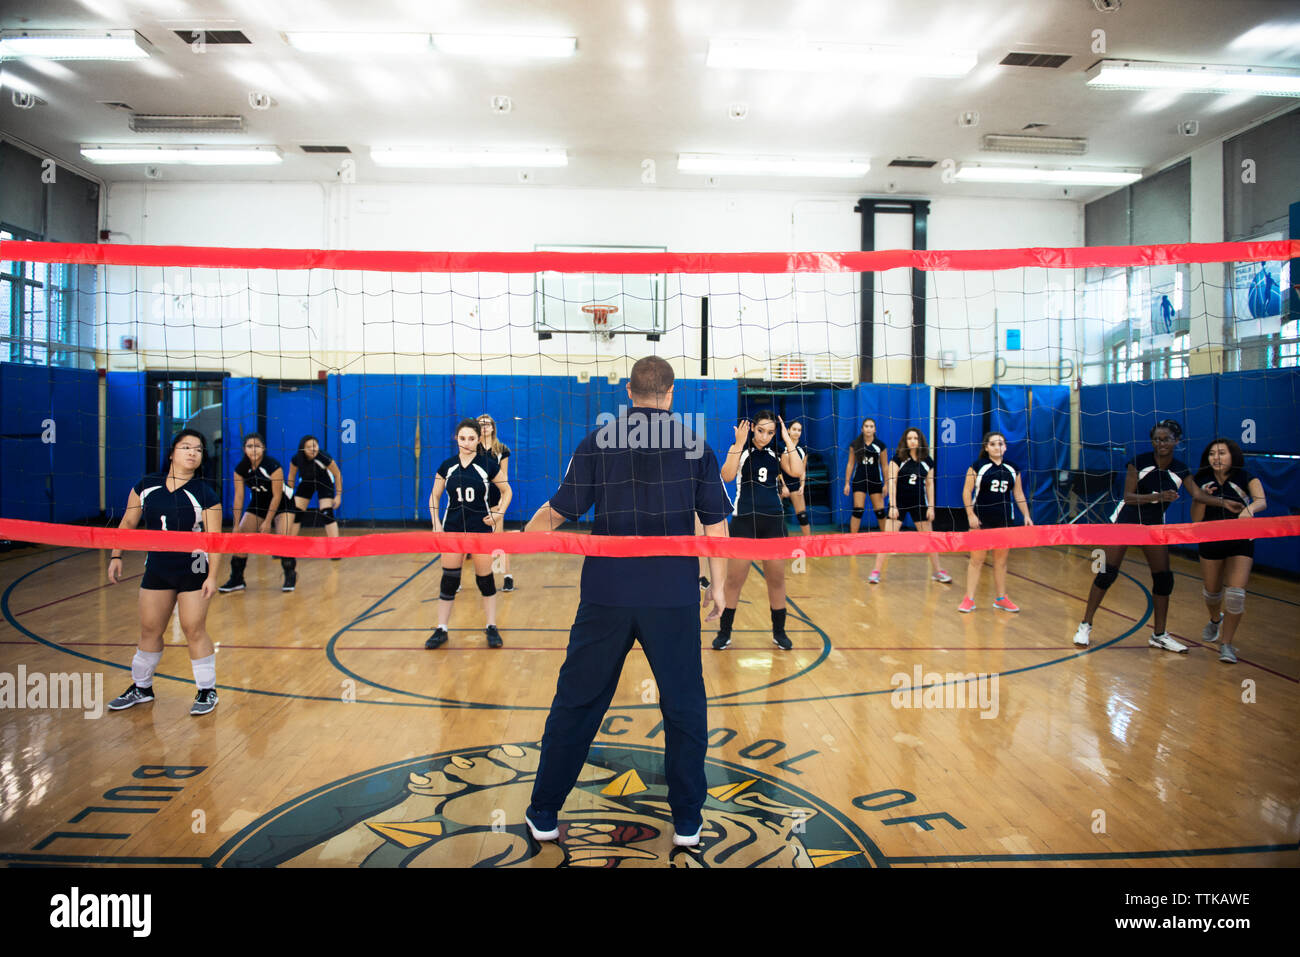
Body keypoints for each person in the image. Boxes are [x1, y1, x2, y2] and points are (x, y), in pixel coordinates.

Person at [521, 356, 730, 848]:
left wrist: (517, 538)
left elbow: (559, 511)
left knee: (577, 703)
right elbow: (717, 526)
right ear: (671, 393)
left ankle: (545, 812)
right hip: (672, 595)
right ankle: (686, 822)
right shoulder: (696, 446)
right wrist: (718, 587)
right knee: (684, 707)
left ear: (629, 394)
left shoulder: (598, 440)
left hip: (607, 594)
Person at [1071, 419, 1223, 650]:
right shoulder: (1139, 462)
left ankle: (1159, 635)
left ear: (1177, 441)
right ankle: (1085, 625)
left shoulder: (1180, 469)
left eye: (1166, 439)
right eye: (1157, 439)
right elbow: (1128, 497)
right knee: (1107, 573)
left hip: (1153, 526)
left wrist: (1223, 501)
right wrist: (1158, 497)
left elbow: (1198, 495)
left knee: (1163, 578)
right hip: (1126, 521)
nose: (1161, 443)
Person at [106, 429, 224, 716]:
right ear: (172, 452)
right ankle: (142, 687)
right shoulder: (146, 485)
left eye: (198, 449)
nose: (193, 452)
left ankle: (207, 691)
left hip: (194, 569)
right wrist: (116, 554)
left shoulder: (206, 494)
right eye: (186, 447)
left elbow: (215, 540)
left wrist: (212, 576)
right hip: (158, 568)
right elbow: (128, 521)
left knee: (193, 628)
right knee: (149, 629)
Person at [713, 411, 805, 651]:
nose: (765, 436)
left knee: (776, 579)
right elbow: (727, 475)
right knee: (734, 580)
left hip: (773, 522)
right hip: (744, 522)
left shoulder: (778, 453)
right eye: (761, 430)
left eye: (770, 432)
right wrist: (739, 443)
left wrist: (787, 439)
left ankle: (779, 632)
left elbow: (796, 472)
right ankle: (724, 633)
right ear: (753, 428)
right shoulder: (741, 451)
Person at [426, 419, 512, 649]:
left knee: (484, 579)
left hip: (480, 530)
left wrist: (498, 514)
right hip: (453, 529)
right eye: (462, 438)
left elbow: (507, 490)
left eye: (471, 438)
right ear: (456, 438)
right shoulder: (447, 466)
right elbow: (434, 496)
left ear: (478, 439)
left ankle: (491, 626)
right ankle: (441, 628)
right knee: (449, 580)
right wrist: (436, 523)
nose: (466, 443)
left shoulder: (487, 465)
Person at [1191, 438, 1265, 665]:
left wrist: (1249, 510)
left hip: (1241, 539)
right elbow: (1195, 519)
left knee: (1235, 594)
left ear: (1232, 455)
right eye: (1212, 453)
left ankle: (1227, 644)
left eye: (1222, 453)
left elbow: (1262, 501)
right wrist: (1203, 497)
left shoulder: (1245, 476)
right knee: (1212, 592)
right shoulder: (1201, 479)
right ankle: (1215, 619)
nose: (1216, 457)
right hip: (1211, 539)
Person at [958, 431, 1032, 613]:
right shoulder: (978, 466)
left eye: (1000, 444)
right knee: (977, 560)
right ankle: (969, 599)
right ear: (986, 447)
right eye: (993, 444)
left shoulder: (1012, 468)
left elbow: (1019, 494)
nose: (997, 447)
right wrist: (970, 515)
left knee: (1001, 561)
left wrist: (1027, 515)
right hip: (981, 520)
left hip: (1004, 520)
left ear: (1005, 447)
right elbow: (966, 491)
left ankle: (1001, 598)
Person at [870, 427, 952, 585]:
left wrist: (931, 507)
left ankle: (937, 571)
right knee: (887, 538)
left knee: (930, 538)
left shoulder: (927, 461)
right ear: (905, 441)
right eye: (909, 438)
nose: (913, 441)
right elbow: (892, 482)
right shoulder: (898, 459)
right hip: (899, 502)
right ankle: (876, 571)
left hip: (919, 503)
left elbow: (929, 484)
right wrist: (892, 505)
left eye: (915, 438)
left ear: (920, 441)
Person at [220, 432, 293, 593]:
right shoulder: (240, 469)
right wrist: (236, 525)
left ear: (264, 448)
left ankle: (290, 574)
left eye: (257, 446)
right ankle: (237, 579)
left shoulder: (273, 466)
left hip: (283, 504)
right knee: (240, 537)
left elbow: (277, 495)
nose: (254, 450)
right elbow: (239, 498)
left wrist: (267, 522)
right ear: (244, 449)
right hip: (258, 503)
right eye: (249, 446)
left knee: (283, 539)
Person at [283, 435, 344, 581]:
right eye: (310, 446)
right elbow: (291, 477)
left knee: (326, 513)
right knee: (295, 513)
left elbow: (337, 474)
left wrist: (338, 496)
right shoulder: (296, 458)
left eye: (315, 445)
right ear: (303, 448)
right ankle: (288, 547)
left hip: (324, 482)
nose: (313, 449)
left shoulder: (324, 457)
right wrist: (289, 496)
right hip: (307, 482)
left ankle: (335, 549)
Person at [476, 413, 516, 592]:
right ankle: (457, 579)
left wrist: (501, 502)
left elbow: (504, 478)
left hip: (494, 500)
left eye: (487, 424)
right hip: (475, 501)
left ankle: (506, 576)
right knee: (470, 541)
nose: (484, 427)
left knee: (498, 540)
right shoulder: (471, 448)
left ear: (493, 427)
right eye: (480, 424)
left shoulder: (501, 450)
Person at [844, 417, 887, 533]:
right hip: (859, 479)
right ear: (862, 429)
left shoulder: (880, 445)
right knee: (858, 509)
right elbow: (850, 464)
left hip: (875, 480)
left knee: (880, 511)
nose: (869, 429)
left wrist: (886, 484)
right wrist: (847, 483)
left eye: (871, 426)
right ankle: (853, 538)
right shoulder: (855, 444)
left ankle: (886, 538)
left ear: (875, 430)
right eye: (866, 426)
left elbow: (884, 466)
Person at [778, 419, 812, 537]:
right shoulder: (781, 446)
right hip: (780, 482)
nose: (797, 432)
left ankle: (809, 542)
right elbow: (777, 469)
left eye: (799, 430)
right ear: (788, 430)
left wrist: (802, 485)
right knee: (777, 514)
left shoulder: (803, 448)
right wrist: (783, 486)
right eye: (794, 429)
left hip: (795, 483)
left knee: (802, 515)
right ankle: (778, 541)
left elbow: (802, 470)